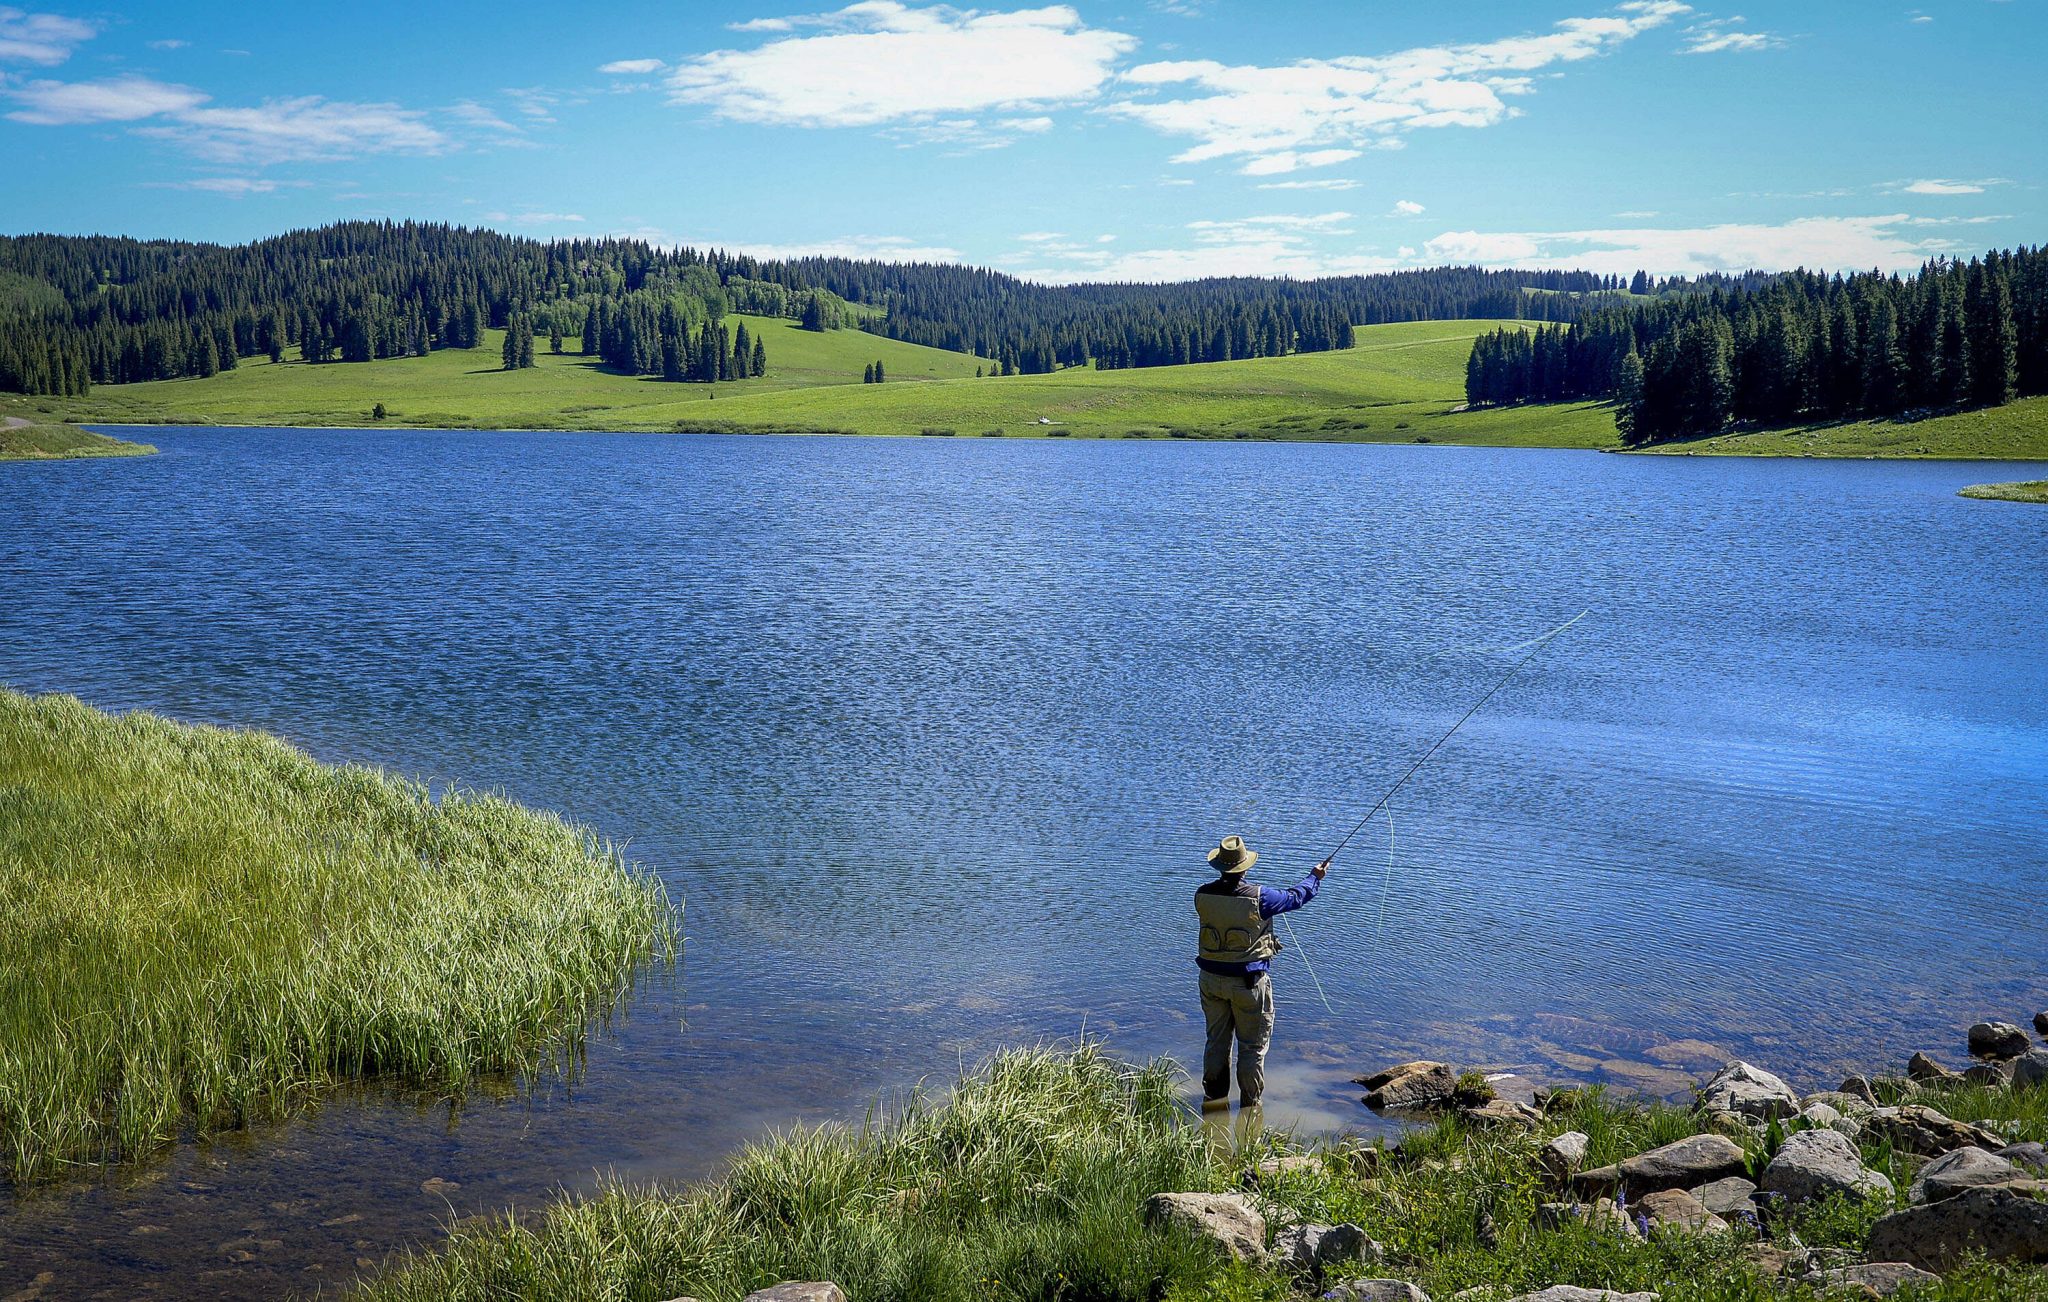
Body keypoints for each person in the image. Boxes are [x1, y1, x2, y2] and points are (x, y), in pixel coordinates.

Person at [1194, 834, 1327, 1108]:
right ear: (1245, 867)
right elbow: (1295, 898)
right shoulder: (1260, 897)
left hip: (1210, 981)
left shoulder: (1202, 895)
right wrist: (1314, 877)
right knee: (1252, 1048)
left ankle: (1214, 1099)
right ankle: (1250, 1108)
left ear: (1219, 866)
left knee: (1216, 1043)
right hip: (1248, 984)